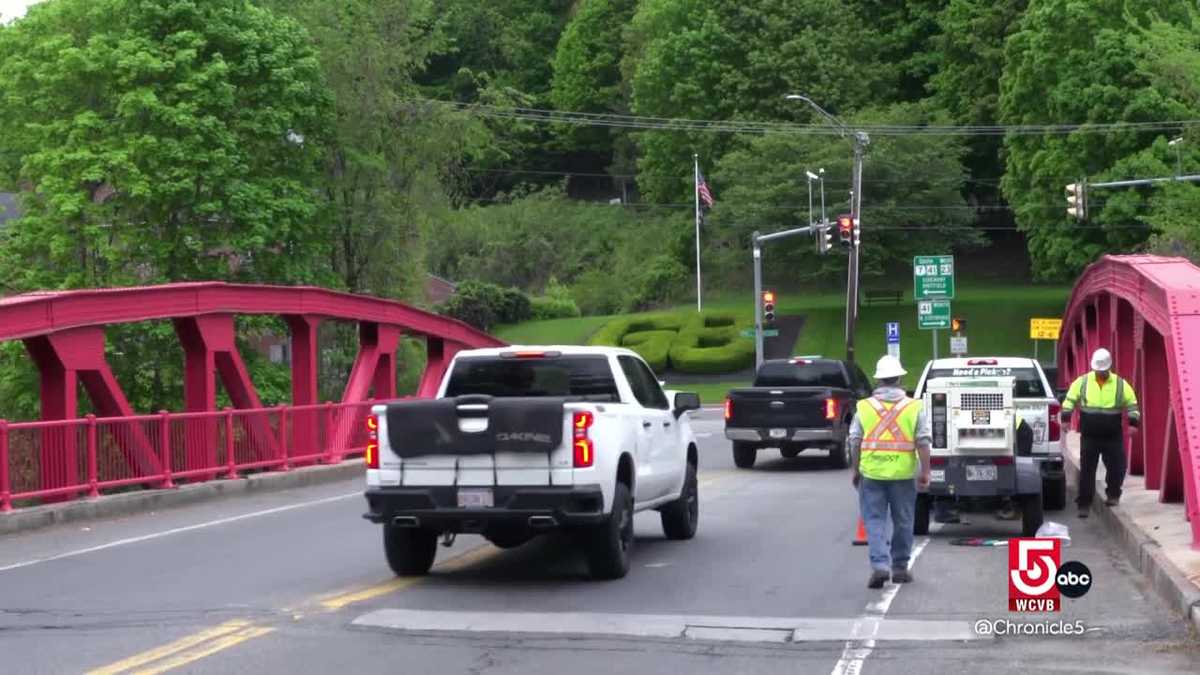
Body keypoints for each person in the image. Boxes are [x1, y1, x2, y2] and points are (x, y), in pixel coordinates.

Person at [849, 355, 932, 589]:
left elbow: (854, 440)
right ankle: (900, 568)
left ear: (878, 380)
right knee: (904, 521)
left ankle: (879, 566)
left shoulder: (864, 407)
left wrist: (856, 470)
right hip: (903, 475)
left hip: (872, 473)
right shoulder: (913, 407)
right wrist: (925, 471)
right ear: (899, 379)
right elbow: (923, 441)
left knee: (874, 521)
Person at [1061, 348, 1140, 518]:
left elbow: (1132, 404)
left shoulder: (1120, 384)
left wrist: (1133, 423)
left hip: (1112, 435)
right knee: (1087, 470)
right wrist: (1066, 419)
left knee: (1117, 467)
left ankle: (1113, 495)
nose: (1101, 373)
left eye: (1103, 371)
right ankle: (1084, 504)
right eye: (1098, 370)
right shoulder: (1082, 382)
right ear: (1093, 368)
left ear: (1109, 368)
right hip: (1090, 435)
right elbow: (1069, 400)